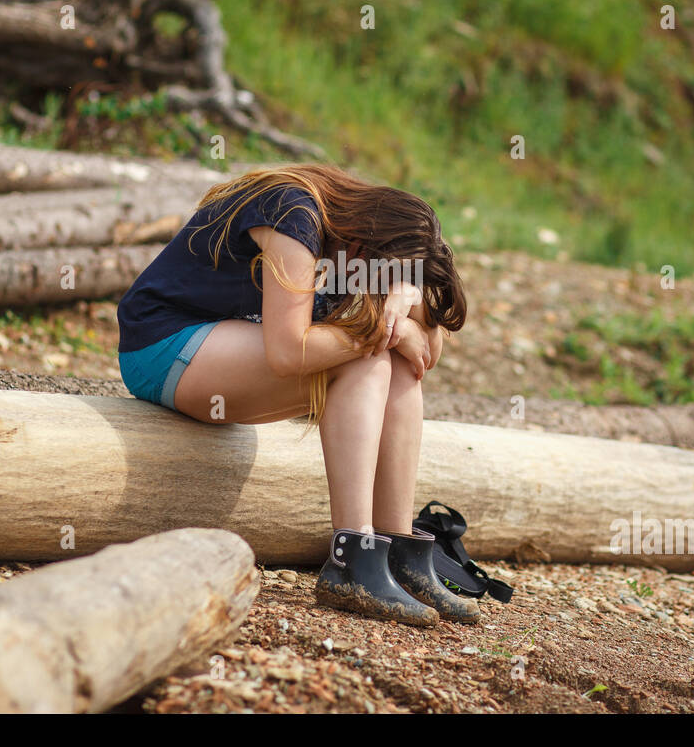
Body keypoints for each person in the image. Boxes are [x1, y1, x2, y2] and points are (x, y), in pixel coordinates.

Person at [117, 164, 477, 626]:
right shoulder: (295, 212)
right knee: (367, 357)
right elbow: (289, 352)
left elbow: (428, 350)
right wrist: (385, 329)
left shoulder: (358, 245)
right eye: (383, 275)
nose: (373, 285)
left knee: (400, 366)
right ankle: (353, 559)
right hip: (164, 347)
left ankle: (400, 554)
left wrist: (405, 296)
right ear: (368, 248)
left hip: (229, 359)